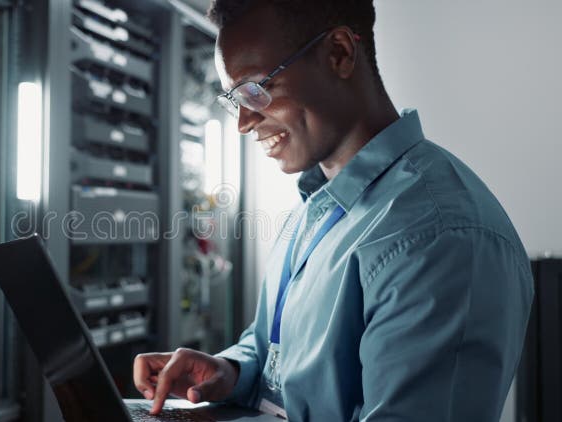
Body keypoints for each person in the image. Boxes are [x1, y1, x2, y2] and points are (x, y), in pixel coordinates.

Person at [133, 0, 534, 420]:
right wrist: (230, 370)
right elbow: (275, 351)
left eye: (256, 89)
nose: (244, 122)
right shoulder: (315, 209)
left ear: (339, 52)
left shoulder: (439, 235)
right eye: (235, 99)